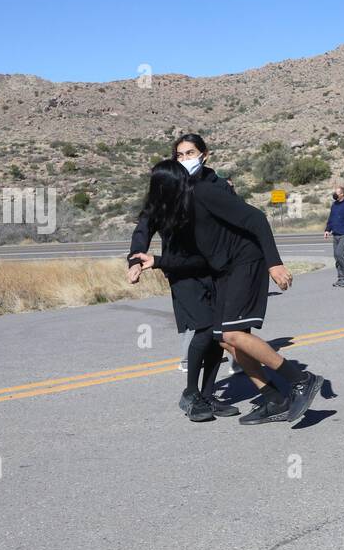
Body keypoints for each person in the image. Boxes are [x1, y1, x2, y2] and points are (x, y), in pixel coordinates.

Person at [133, 137, 325, 424]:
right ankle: (274, 399)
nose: (185, 160)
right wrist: (149, 261)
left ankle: (300, 380)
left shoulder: (204, 191)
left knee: (233, 334)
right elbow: (159, 234)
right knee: (225, 339)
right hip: (223, 269)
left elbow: (256, 219)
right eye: (180, 156)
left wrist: (274, 263)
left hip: (243, 262)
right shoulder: (179, 203)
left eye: (190, 154)